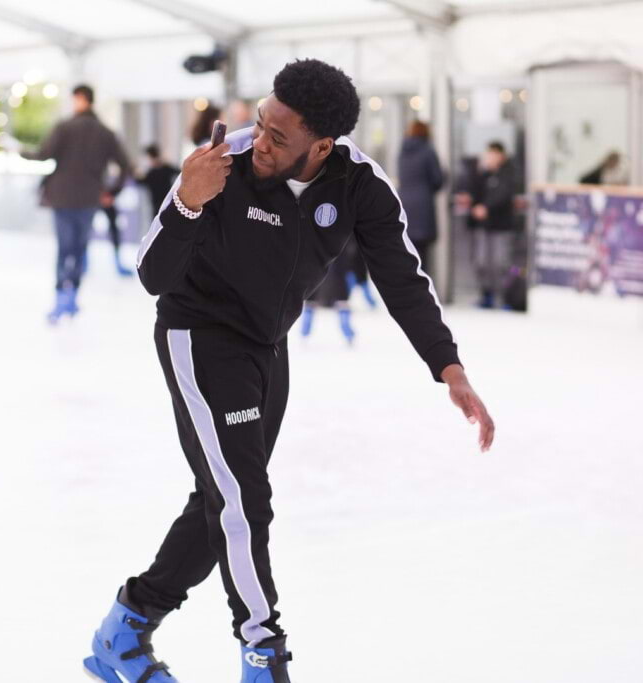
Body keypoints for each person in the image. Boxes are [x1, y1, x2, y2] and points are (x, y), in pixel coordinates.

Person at [83, 59, 495, 683]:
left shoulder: (360, 185)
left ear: (322, 145)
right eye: (260, 121)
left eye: (279, 136)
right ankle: (262, 651)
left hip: (267, 347)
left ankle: (126, 629)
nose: (260, 141)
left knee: (222, 501)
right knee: (242, 499)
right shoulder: (220, 163)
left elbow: (401, 277)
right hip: (199, 335)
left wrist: (448, 365)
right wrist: (188, 205)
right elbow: (150, 276)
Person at [23, 84, 132, 323]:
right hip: (90, 198)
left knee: (64, 249)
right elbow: (125, 165)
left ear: (80, 99)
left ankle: (61, 298)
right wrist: (112, 191)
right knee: (80, 248)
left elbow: (43, 154)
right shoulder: (106, 132)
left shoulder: (65, 127)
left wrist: (19, 150)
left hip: (62, 197)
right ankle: (72, 298)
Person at [467, 141, 518, 308]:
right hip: (483, 226)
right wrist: (480, 171)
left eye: (493, 154)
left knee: (501, 263)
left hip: (502, 226)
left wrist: (486, 207)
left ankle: (504, 298)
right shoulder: (484, 175)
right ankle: (486, 295)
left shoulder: (509, 173)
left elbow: (504, 194)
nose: (490, 157)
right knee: (481, 262)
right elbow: (474, 193)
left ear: (501, 156)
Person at [397, 120, 445, 274]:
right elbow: (437, 180)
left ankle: (407, 291)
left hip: (405, 206)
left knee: (408, 253)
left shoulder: (402, 152)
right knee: (422, 255)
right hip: (423, 207)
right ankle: (422, 292)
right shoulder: (427, 151)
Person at [140, 143, 179, 217]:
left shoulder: (151, 173)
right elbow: (178, 171)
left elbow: (140, 181)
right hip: (169, 202)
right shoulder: (167, 167)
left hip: (159, 204)